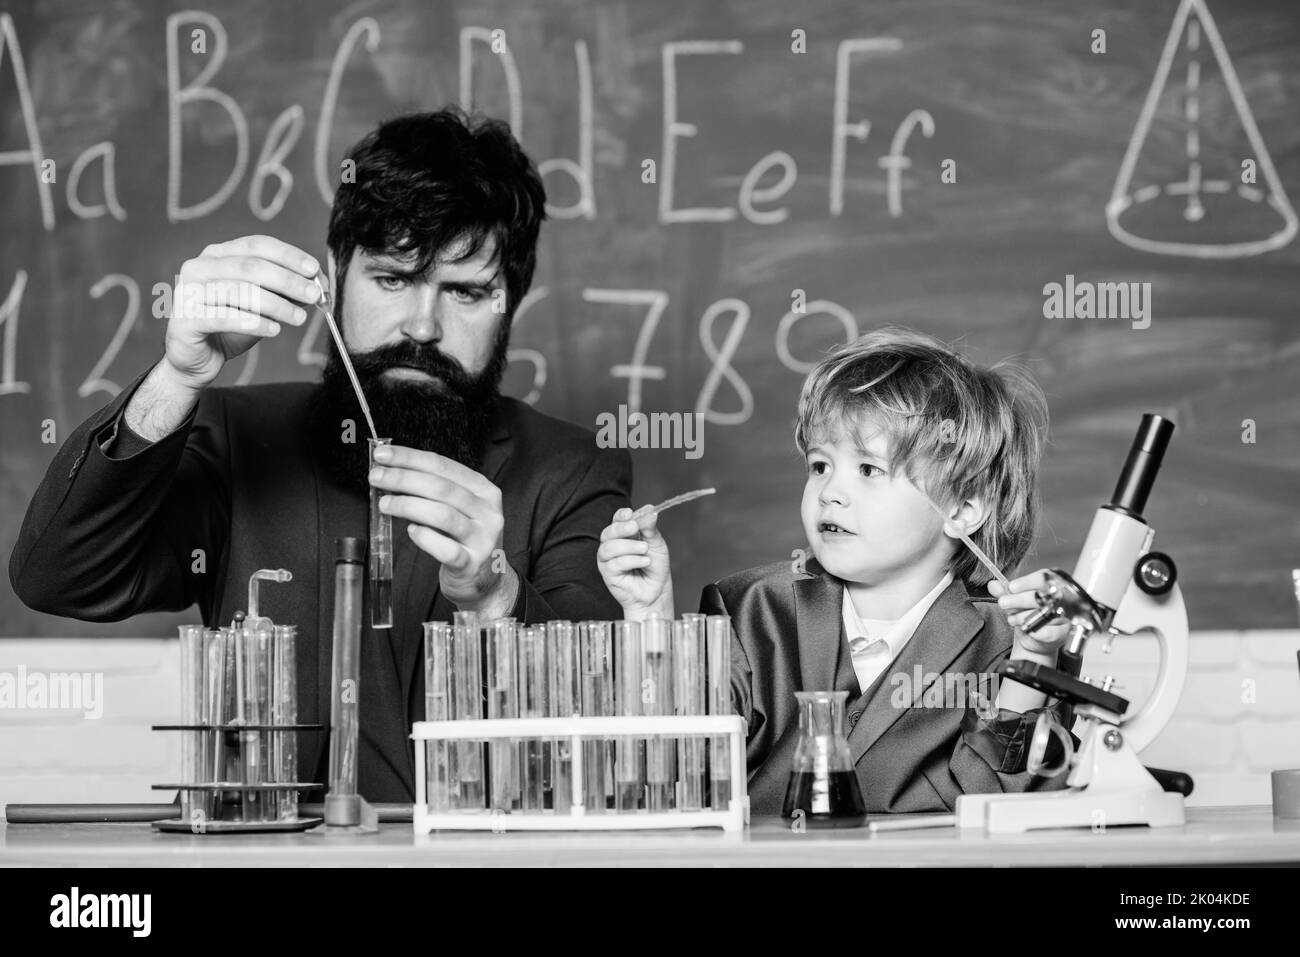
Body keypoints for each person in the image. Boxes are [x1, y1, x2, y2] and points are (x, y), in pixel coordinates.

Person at [9, 108, 632, 803]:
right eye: (392, 278)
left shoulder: (570, 469)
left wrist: (495, 597)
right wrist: (177, 377)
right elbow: (56, 575)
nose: (423, 325)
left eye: (464, 291)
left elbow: (606, 732)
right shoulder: (237, 434)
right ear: (334, 281)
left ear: (509, 304)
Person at [597, 326, 1077, 815]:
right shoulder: (754, 611)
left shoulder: (1006, 645)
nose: (830, 493)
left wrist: (1034, 659)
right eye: (820, 465)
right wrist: (648, 615)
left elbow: (1004, 806)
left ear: (962, 507)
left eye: (868, 470)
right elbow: (674, 773)